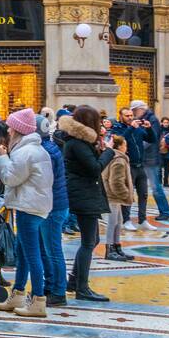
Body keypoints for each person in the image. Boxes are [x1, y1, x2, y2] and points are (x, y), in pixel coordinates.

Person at [0, 108, 54, 317]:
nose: (8, 130)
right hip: (34, 205)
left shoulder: (25, 152)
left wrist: (2, 157)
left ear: (18, 130)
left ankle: (38, 300)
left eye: (11, 127)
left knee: (31, 254)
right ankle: (18, 294)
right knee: (23, 251)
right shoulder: (37, 150)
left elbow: (10, 178)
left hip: (29, 207)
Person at [59, 105, 111, 302]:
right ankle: (82, 288)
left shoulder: (79, 141)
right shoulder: (78, 144)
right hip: (82, 195)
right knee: (89, 242)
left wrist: (100, 149)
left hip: (85, 193)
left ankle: (74, 281)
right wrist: (109, 153)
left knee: (93, 240)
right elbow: (94, 168)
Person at [38, 116, 71, 306]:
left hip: (52, 206)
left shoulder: (46, 151)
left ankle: (58, 291)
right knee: (46, 249)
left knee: (53, 250)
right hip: (50, 205)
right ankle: (51, 285)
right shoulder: (48, 147)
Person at [101, 134, 137, 263]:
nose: (126, 147)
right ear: (120, 146)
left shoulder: (116, 157)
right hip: (113, 196)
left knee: (118, 222)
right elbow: (116, 182)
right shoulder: (119, 160)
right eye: (125, 144)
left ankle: (117, 247)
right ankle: (110, 249)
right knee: (112, 223)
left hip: (113, 196)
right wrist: (126, 194)